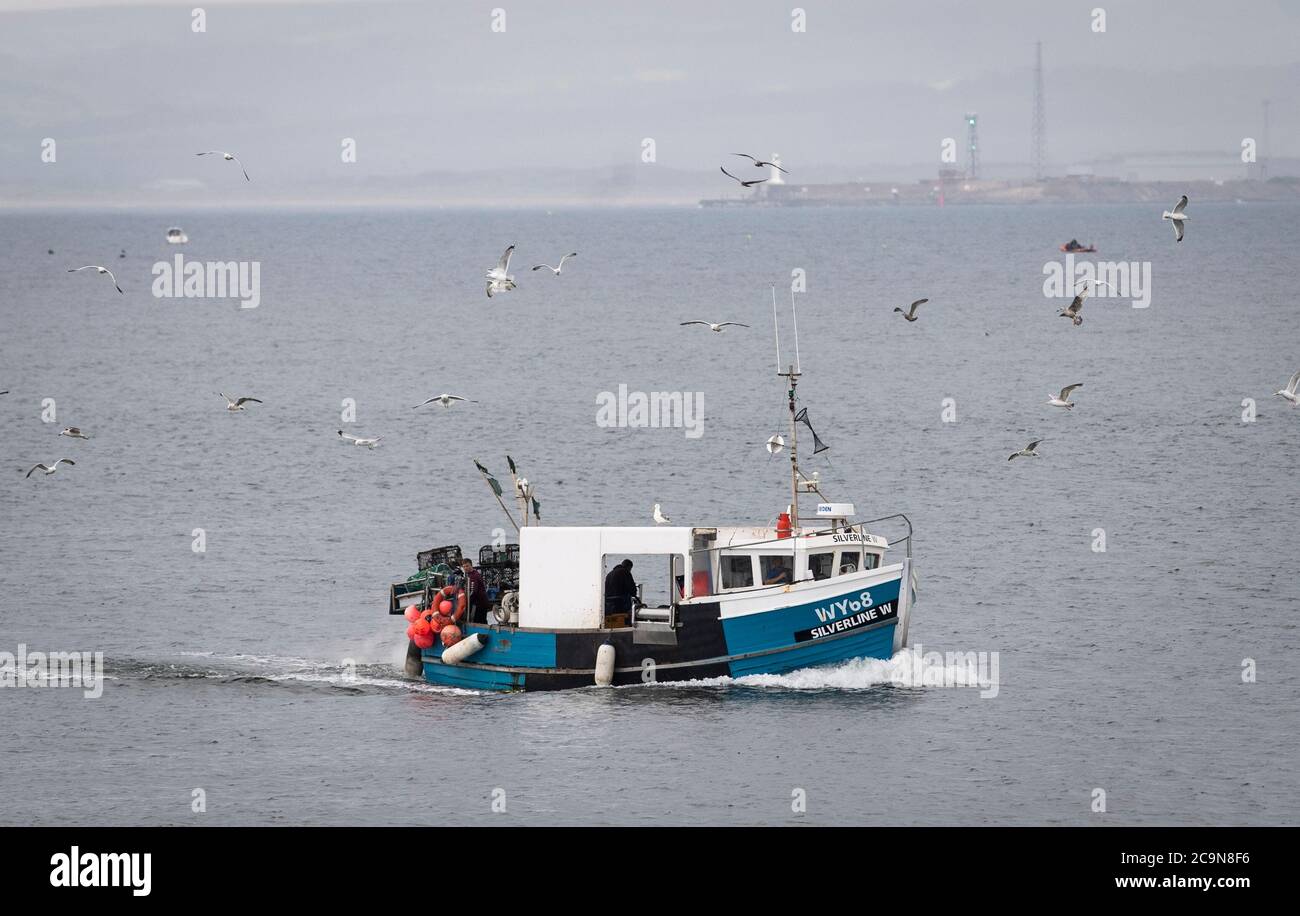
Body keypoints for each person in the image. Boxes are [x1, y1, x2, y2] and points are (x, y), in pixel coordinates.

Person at [460, 558, 489, 623]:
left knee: (479, 620)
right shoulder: (470, 574)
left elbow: (474, 591)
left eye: (467, 566)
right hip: (480, 602)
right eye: (464, 566)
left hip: (480, 603)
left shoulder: (474, 576)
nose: (465, 568)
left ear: (471, 565)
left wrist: (466, 602)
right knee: (482, 620)